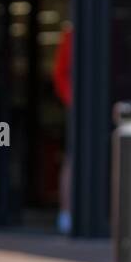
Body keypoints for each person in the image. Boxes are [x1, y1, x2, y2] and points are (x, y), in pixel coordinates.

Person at [52, 22, 73, 234]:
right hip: (78, 110)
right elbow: (59, 73)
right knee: (72, 159)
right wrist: (72, 100)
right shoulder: (72, 34)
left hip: (105, 106)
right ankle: (66, 212)